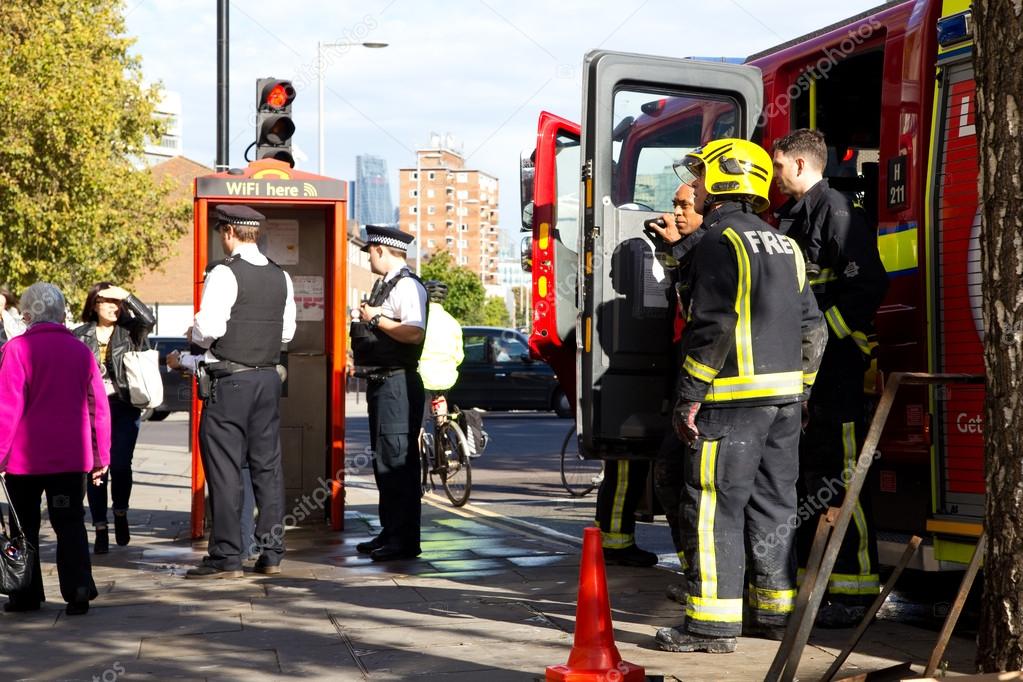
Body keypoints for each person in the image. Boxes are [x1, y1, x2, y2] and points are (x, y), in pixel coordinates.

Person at [655, 138, 827, 653]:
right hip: (784, 403)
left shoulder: (717, 242)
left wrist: (689, 397)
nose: (696, 189)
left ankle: (711, 626)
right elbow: (814, 329)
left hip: (730, 404)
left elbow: (712, 326)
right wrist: (801, 392)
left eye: (701, 178)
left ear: (722, 180)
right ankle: (773, 616)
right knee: (775, 506)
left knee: (712, 509)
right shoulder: (785, 245)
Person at [772, 128, 889, 627]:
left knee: (841, 475)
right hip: (808, 370)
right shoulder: (796, 216)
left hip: (835, 370)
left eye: (779, 167)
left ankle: (856, 590)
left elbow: (869, 285)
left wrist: (828, 340)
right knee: (811, 476)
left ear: (800, 164)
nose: (775, 177)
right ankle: (816, 583)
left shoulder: (836, 211)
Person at [167, 204, 296, 579]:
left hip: (230, 382)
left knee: (225, 470)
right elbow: (287, 333)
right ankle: (271, 553)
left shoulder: (224, 273)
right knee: (267, 468)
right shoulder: (280, 275)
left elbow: (209, 329)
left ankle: (226, 556)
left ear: (228, 233)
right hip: (268, 380)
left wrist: (193, 333)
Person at [0, 283, 111, 615]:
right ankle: (78, 590)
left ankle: (26, 594)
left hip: (24, 461)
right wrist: (101, 458)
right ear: (62, 315)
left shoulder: (16, 350)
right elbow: (98, 409)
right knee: (70, 523)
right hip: (70, 459)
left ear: (27, 315)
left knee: (24, 526)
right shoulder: (81, 352)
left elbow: (7, 409)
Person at [350, 225, 428, 562]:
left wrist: (376, 319)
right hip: (383, 384)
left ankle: (404, 540)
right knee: (385, 462)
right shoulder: (387, 284)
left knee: (398, 463)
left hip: (398, 385)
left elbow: (414, 332)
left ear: (381, 250)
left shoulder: (407, 286)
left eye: (369, 250)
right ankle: (391, 531)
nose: (368, 256)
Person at [645, 182, 707, 595]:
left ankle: (708, 578)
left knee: (697, 488)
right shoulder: (687, 252)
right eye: (675, 204)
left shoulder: (713, 248)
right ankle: (692, 570)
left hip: (713, 396)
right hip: (685, 387)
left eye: (686, 205)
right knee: (669, 475)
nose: (677, 213)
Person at [73, 283, 155, 554]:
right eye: (107, 301)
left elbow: (148, 319)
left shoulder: (130, 331)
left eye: (116, 302)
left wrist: (127, 296)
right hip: (93, 408)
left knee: (120, 464)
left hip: (124, 406)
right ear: (94, 305)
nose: (113, 307)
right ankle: (100, 527)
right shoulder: (80, 335)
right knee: (96, 468)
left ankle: (120, 512)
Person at [418, 280, 464, 399]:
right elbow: (459, 357)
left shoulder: (420, 320)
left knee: (422, 411)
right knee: (441, 408)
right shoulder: (453, 322)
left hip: (424, 379)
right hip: (447, 380)